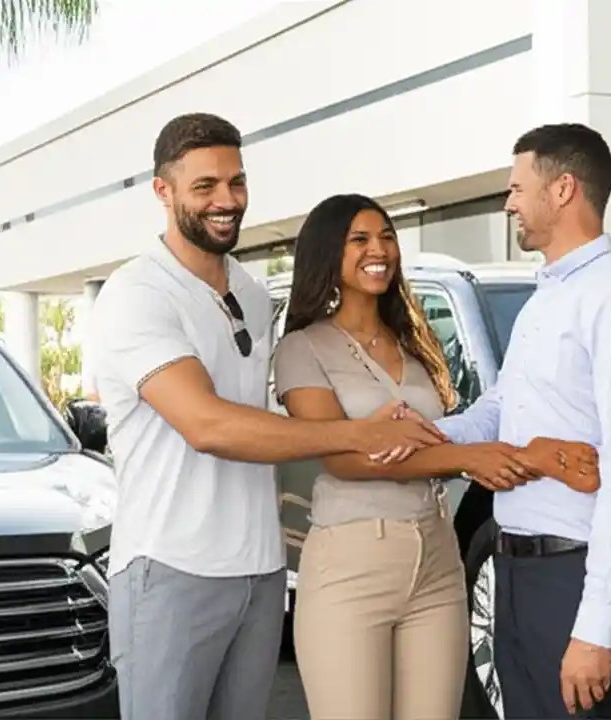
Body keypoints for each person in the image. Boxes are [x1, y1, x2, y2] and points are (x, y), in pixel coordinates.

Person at [89, 113, 448, 720]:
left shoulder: (252, 294)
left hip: (258, 573)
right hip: (172, 569)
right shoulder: (138, 294)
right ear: (163, 191)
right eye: (205, 186)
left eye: (236, 183)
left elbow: (270, 419)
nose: (226, 201)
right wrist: (361, 430)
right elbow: (209, 425)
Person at [272, 194, 602, 720]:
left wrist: (519, 455)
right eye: (359, 239)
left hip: (436, 559)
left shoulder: (411, 343)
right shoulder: (302, 349)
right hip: (352, 562)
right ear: (326, 254)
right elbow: (342, 456)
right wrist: (472, 457)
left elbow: (434, 434)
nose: (378, 249)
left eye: (385, 236)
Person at [436, 123, 611, 718]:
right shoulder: (546, 296)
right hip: (514, 573)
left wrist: (595, 624)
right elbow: (499, 408)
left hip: (573, 577)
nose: (509, 202)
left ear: (563, 188)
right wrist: (430, 436)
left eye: (518, 187)